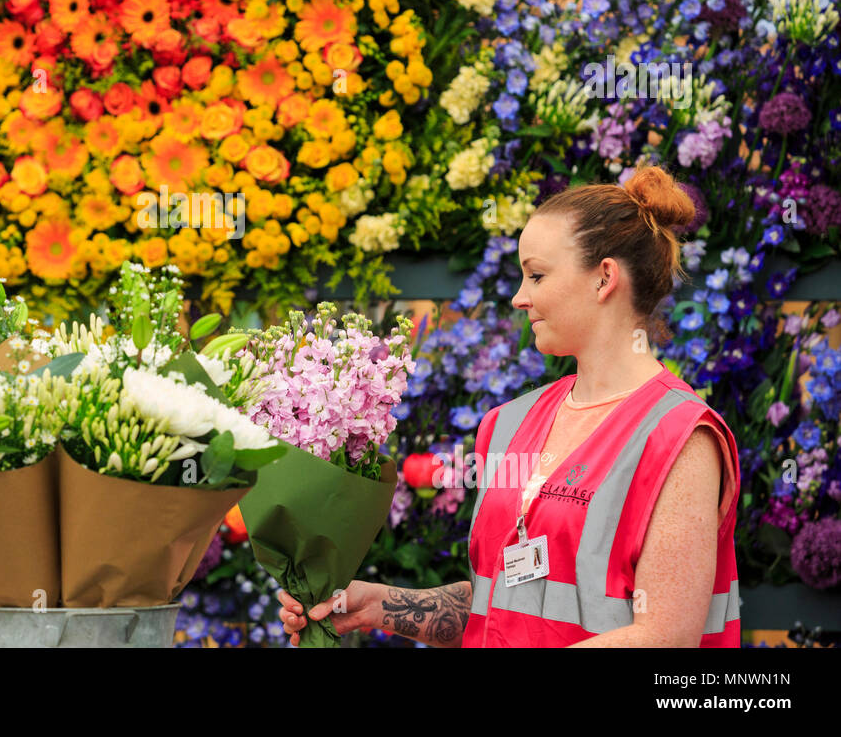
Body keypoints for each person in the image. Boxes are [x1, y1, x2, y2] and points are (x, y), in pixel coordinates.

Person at [278, 165, 741, 647]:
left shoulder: (680, 436)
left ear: (604, 278)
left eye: (536, 275)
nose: (520, 298)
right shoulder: (507, 423)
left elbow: (666, 635)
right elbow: (497, 609)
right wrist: (381, 604)